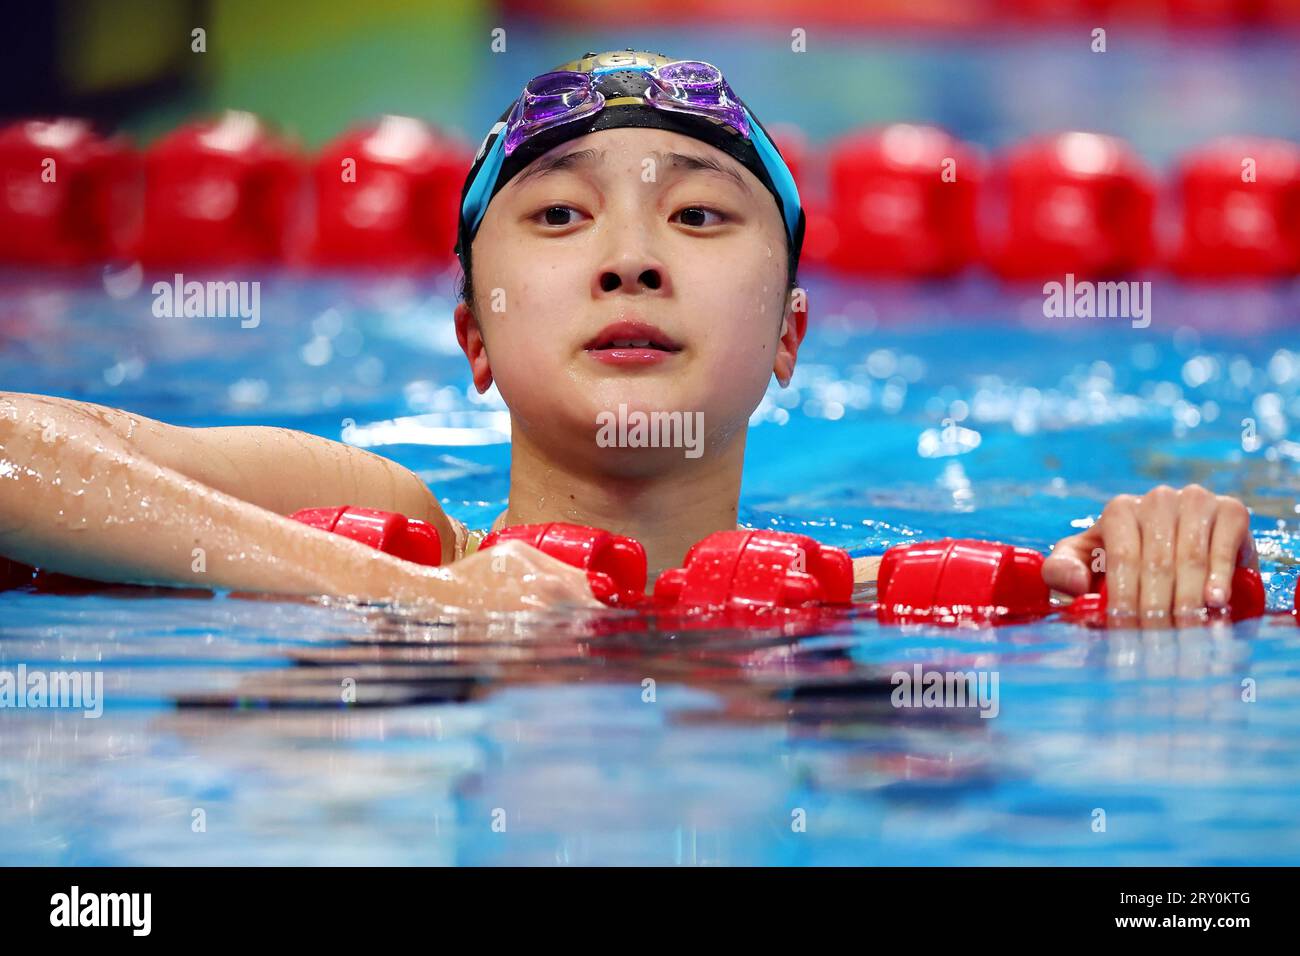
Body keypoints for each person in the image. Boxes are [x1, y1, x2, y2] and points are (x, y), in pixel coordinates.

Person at [0, 50, 1259, 624]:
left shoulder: (862, 606)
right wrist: (421, 595)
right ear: (471, 338)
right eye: (558, 213)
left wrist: (1168, 557)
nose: (632, 253)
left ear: (787, 338)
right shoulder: (383, 519)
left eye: (701, 214)